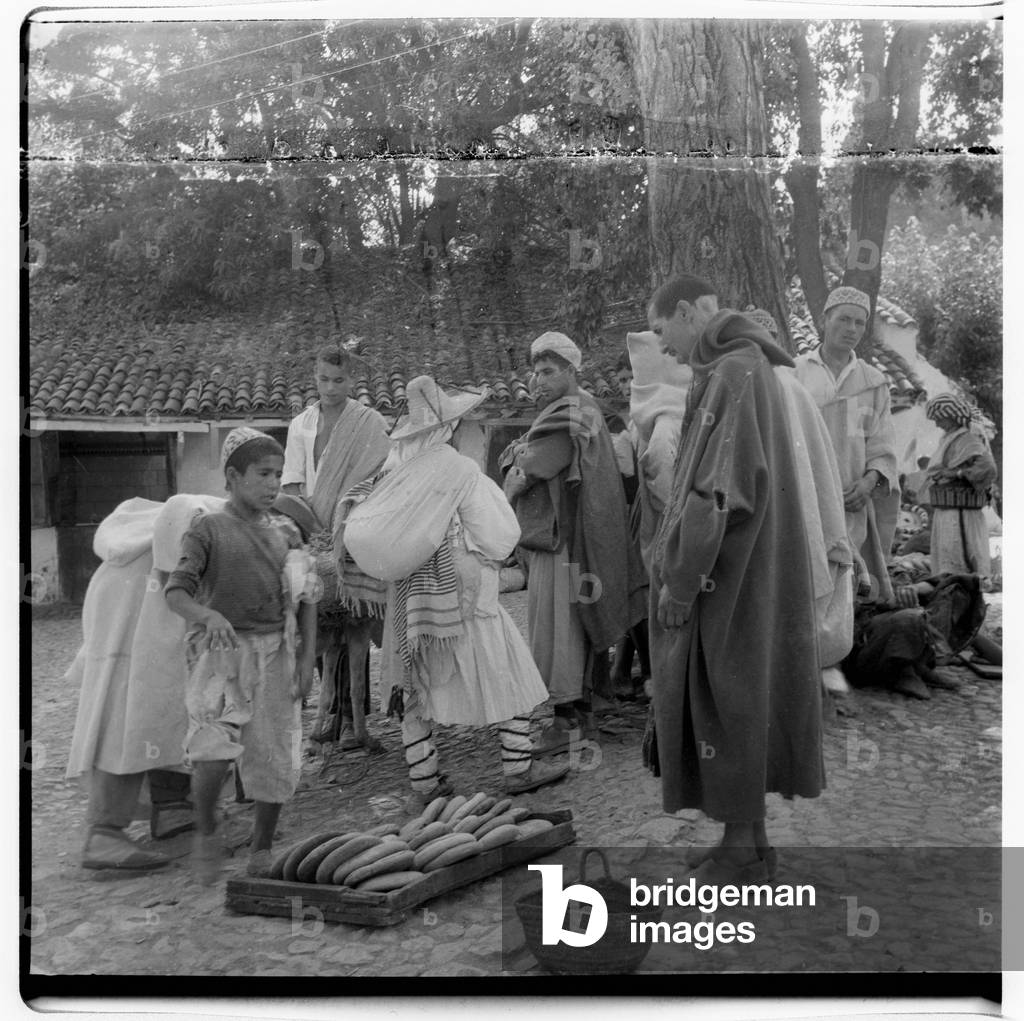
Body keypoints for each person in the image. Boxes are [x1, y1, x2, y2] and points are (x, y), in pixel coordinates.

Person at [646, 275, 824, 883]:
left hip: (731, 573)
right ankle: (746, 838)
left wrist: (681, 581)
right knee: (742, 696)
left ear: (693, 311)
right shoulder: (746, 368)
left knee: (727, 697)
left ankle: (741, 844)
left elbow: (717, 492)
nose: (663, 347)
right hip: (751, 568)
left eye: (664, 330)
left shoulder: (732, 373)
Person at [342, 376, 567, 802]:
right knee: (504, 666)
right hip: (461, 588)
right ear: (448, 428)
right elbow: (500, 534)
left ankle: (425, 780)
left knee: (414, 683)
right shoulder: (460, 469)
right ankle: (518, 767)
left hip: (410, 592)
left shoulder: (394, 470)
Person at [165, 427, 319, 882]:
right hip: (220, 656)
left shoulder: (288, 533)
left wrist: (307, 659)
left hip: (276, 654)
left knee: (273, 754)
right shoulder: (208, 529)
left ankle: (261, 848)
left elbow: (308, 597)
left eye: (278, 475)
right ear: (232, 476)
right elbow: (176, 593)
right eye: (262, 474)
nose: (273, 484)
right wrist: (206, 616)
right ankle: (207, 828)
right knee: (212, 749)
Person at [500, 332, 641, 753]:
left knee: (556, 630)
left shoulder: (569, 413)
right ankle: (583, 718)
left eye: (548, 371)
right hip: (579, 540)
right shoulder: (585, 410)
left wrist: (514, 458)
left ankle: (565, 724)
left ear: (570, 371)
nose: (538, 380)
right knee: (574, 628)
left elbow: (529, 464)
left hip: (561, 543)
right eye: (535, 371)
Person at [281, 346, 390, 746]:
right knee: (323, 632)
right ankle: (327, 719)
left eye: (339, 380)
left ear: (352, 380)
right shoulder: (300, 425)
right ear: (315, 377)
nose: (330, 387)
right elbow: (291, 484)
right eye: (324, 379)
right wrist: (312, 527)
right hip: (312, 534)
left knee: (357, 626)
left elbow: (377, 477)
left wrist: (344, 521)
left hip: (354, 532)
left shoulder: (368, 423)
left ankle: (353, 722)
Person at [794, 287, 900, 602]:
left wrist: (868, 483)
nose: (852, 329)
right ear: (825, 320)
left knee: (853, 595)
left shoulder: (874, 382)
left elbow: (883, 446)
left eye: (859, 322)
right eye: (844, 319)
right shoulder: (793, 373)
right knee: (809, 588)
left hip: (853, 503)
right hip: (806, 501)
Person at [920, 393, 998, 579]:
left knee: (961, 558)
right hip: (947, 506)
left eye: (940, 419)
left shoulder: (967, 438)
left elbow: (988, 468)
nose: (937, 424)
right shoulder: (950, 437)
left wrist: (956, 473)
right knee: (947, 557)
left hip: (960, 510)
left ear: (952, 417)